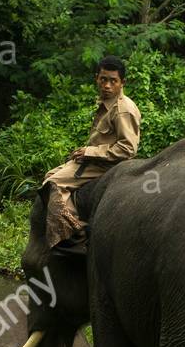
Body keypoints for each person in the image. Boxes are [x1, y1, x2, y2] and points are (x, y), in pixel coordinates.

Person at [41, 55, 141, 250]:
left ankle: (75, 237)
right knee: (49, 175)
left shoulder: (123, 109)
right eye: (103, 79)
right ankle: (73, 221)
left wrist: (90, 152)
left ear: (122, 83)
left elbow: (128, 148)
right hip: (94, 159)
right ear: (97, 78)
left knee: (53, 184)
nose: (107, 85)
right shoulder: (107, 102)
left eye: (113, 81)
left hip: (105, 163)